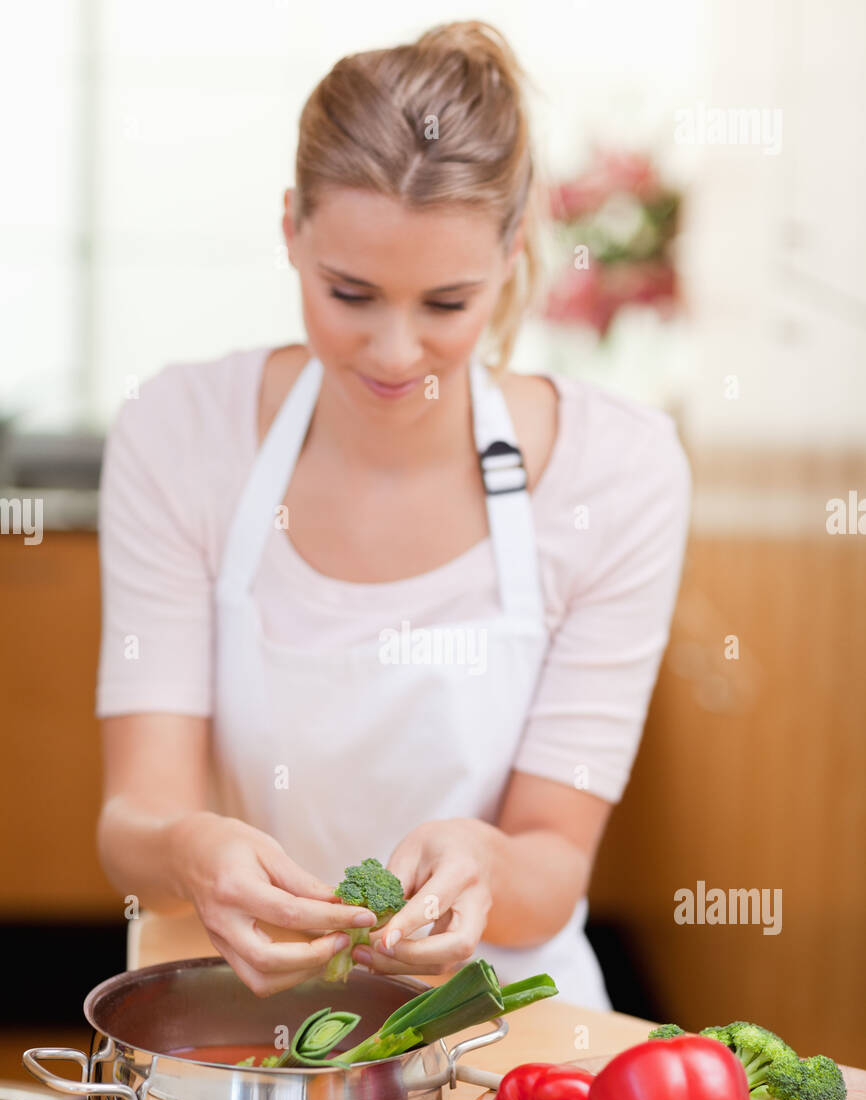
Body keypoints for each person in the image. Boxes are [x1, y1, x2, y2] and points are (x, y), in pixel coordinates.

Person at [95, 20, 691, 1009]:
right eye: (349, 293)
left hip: (509, 1025)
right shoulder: (179, 433)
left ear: (511, 255)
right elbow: (132, 818)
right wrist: (187, 846)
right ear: (290, 229)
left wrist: (486, 862)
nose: (392, 351)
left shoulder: (615, 474)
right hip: (256, 1013)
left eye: (445, 304)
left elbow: (552, 861)